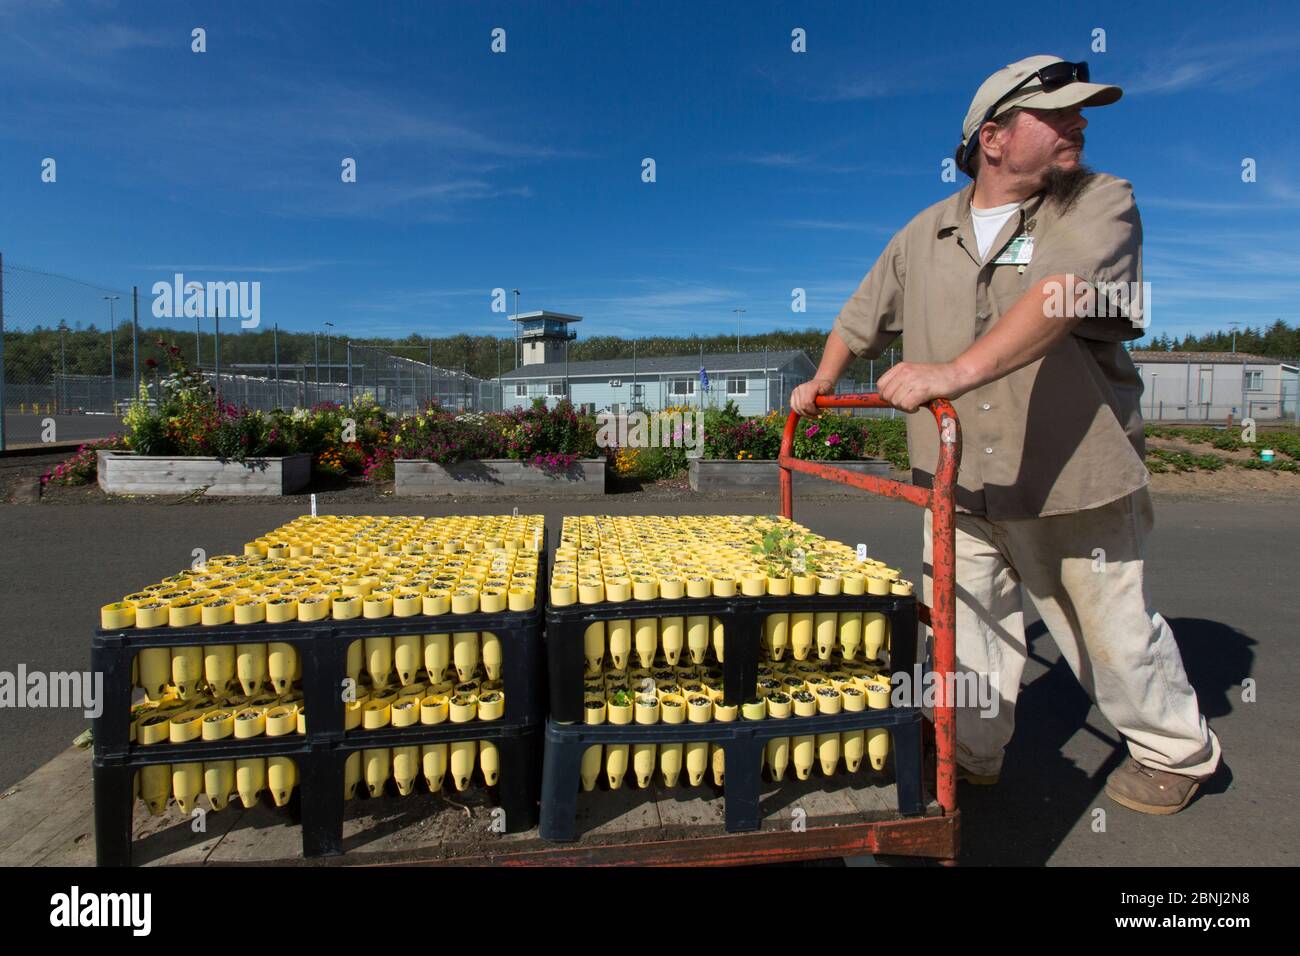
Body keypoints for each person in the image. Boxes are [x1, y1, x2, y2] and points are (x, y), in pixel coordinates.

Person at [790, 55, 1221, 814]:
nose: (1079, 125)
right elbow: (860, 318)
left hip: (1069, 475)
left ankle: (1174, 753)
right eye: (1059, 115)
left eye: (1081, 115)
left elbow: (1061, 294)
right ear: (993, 136)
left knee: (1107, 631)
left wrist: (952, 372)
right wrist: (820, 382)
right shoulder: (925, 233)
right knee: (961, 632)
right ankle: (969, 754)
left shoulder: (1096, 202)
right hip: (955, 481)